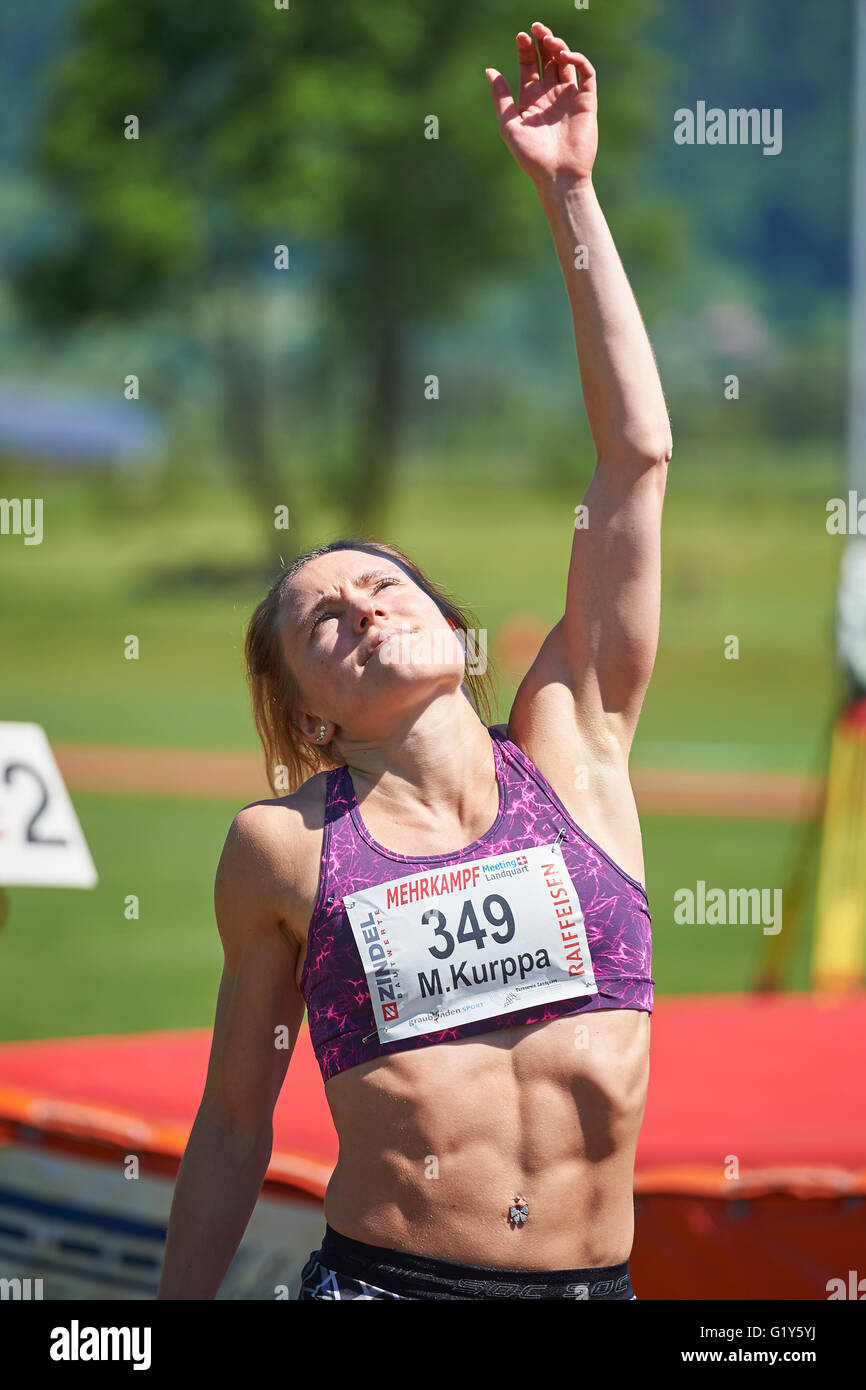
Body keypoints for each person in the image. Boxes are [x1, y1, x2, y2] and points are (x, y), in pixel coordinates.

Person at [156, 19, 671, 1302]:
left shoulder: (577, 737)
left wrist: (569, 194)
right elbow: (232, 1122)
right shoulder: (282, 848)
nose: (366, 609)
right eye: (324, 620)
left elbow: (635, 461)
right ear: (309, 715)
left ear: (449, 628)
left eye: (383, 583)